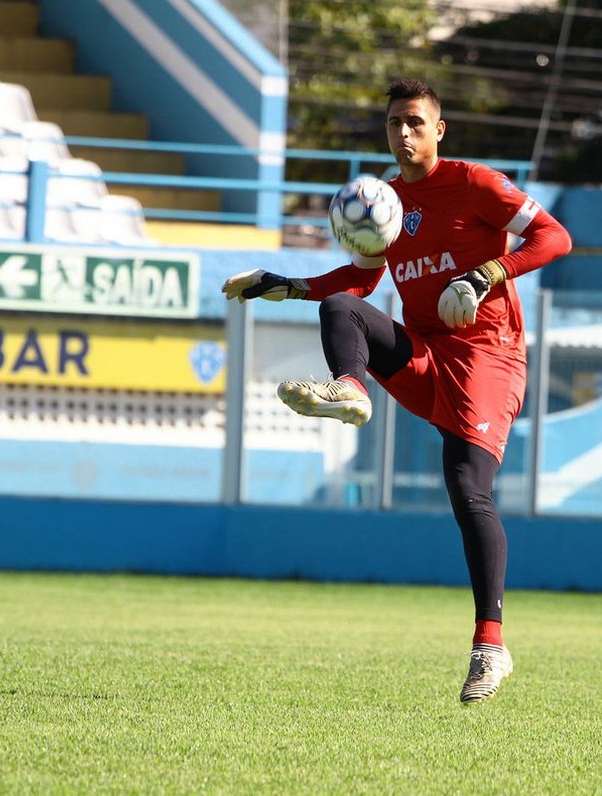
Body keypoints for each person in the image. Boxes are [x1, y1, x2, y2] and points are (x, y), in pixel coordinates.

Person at [221, 77, 572, 703]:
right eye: (393, 124)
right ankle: (351, 390)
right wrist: (287, 283)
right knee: (337, 309)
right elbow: (358, 279)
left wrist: (490, 270)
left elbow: (555, 237)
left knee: (468, 492)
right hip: (429, 357)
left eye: (414, 121)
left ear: (439, 129)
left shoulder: (476, 184)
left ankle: (490, 646)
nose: (403, 133)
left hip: (488, 360)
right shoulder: (383, 202)